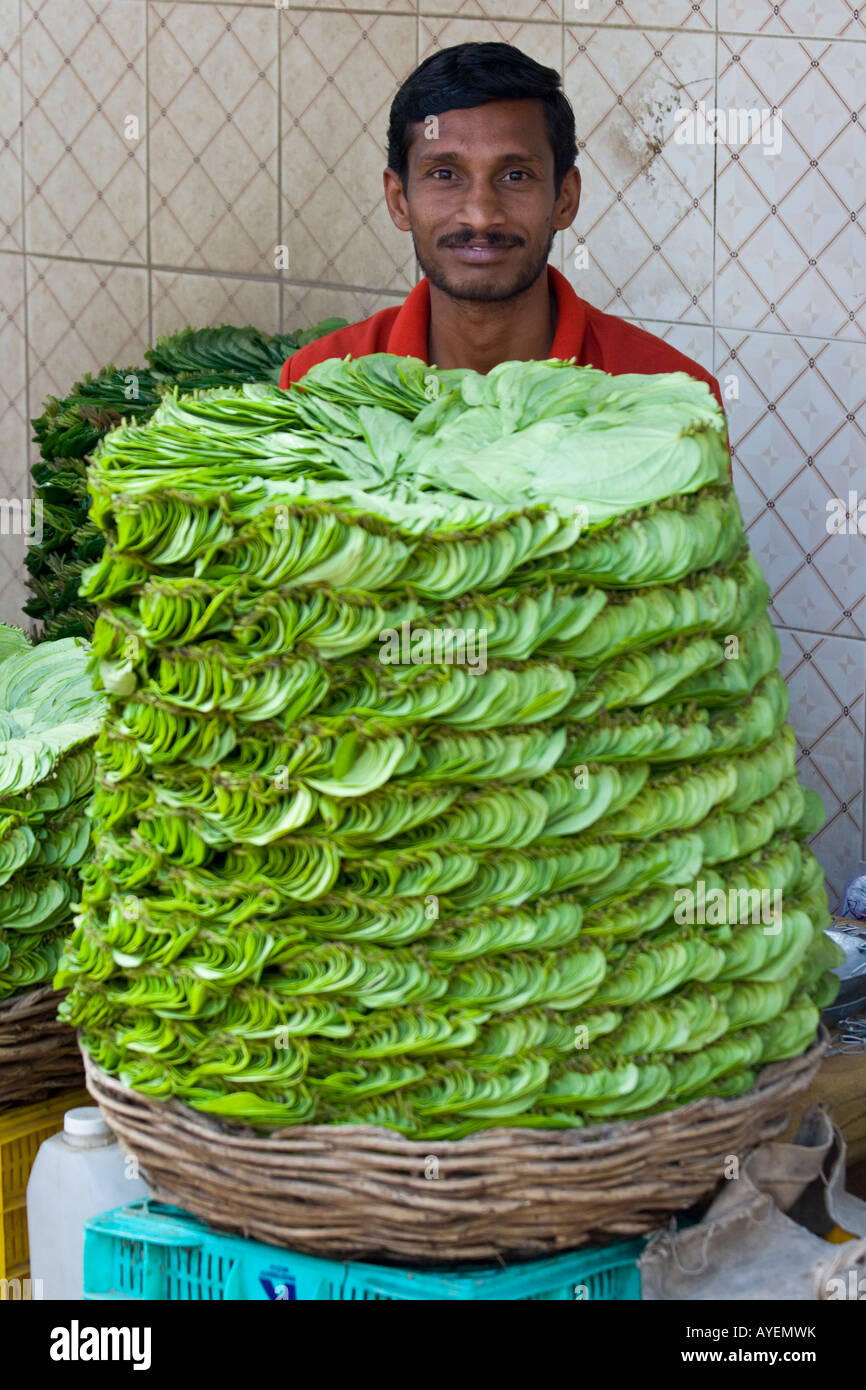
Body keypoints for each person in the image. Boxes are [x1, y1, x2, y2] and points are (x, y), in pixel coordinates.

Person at [280, 41, 729, 461]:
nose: (479, 216)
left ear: (564, 199)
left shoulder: (672, 401)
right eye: (444, 174)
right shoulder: (315, 385)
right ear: (399, 201)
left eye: (515, 175)